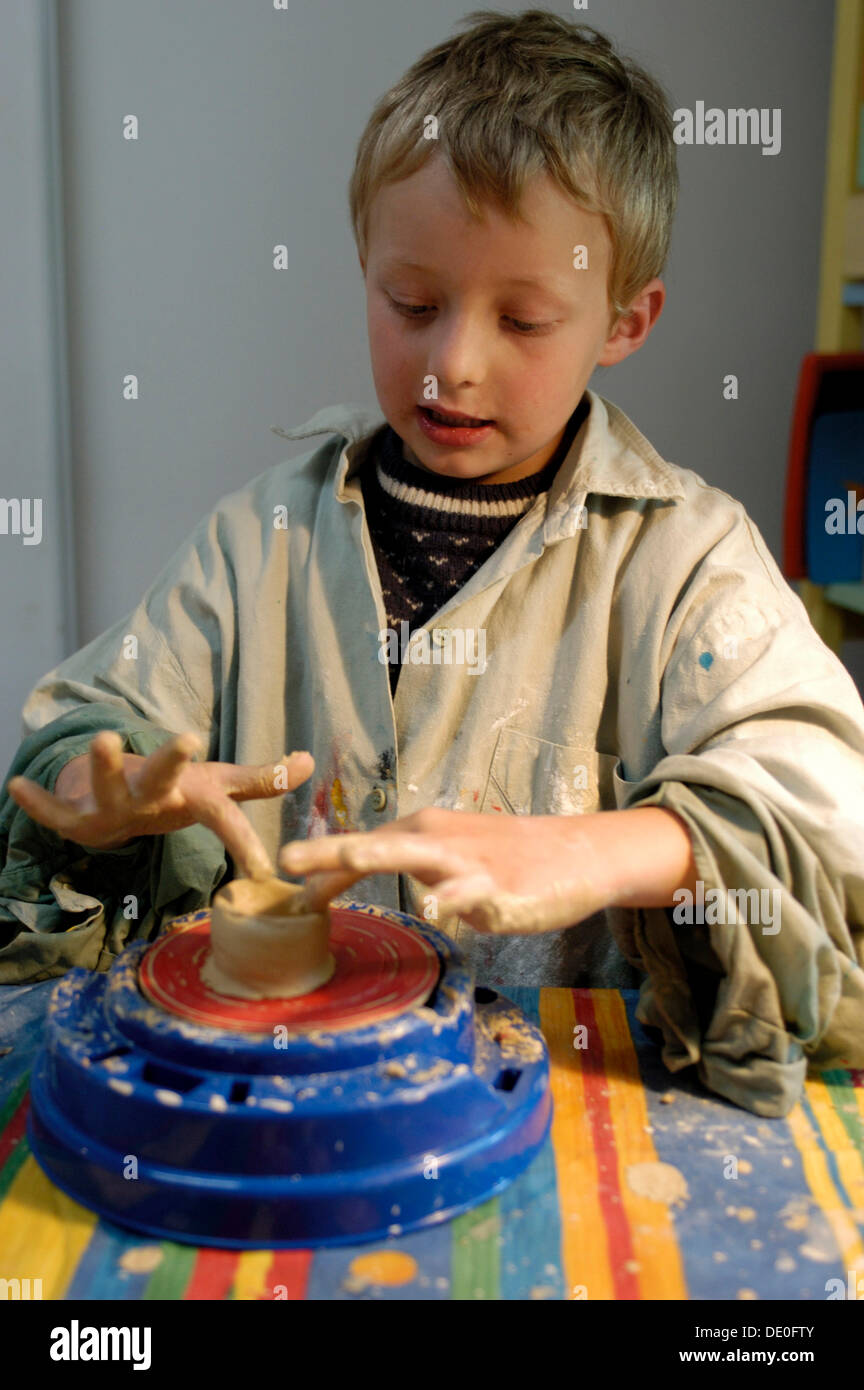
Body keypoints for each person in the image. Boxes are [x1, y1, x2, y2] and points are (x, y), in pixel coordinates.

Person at [3, 12, 863, 1117]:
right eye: (412, 304)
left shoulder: (688, 559)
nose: (452, 363)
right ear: (367, 270)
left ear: (624, 320)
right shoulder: (256, 542)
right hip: (283, 1102)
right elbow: (90, 740)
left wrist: (603, 848)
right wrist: (99, 788)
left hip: (565, 1116)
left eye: (524, 317)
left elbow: (827, 809)